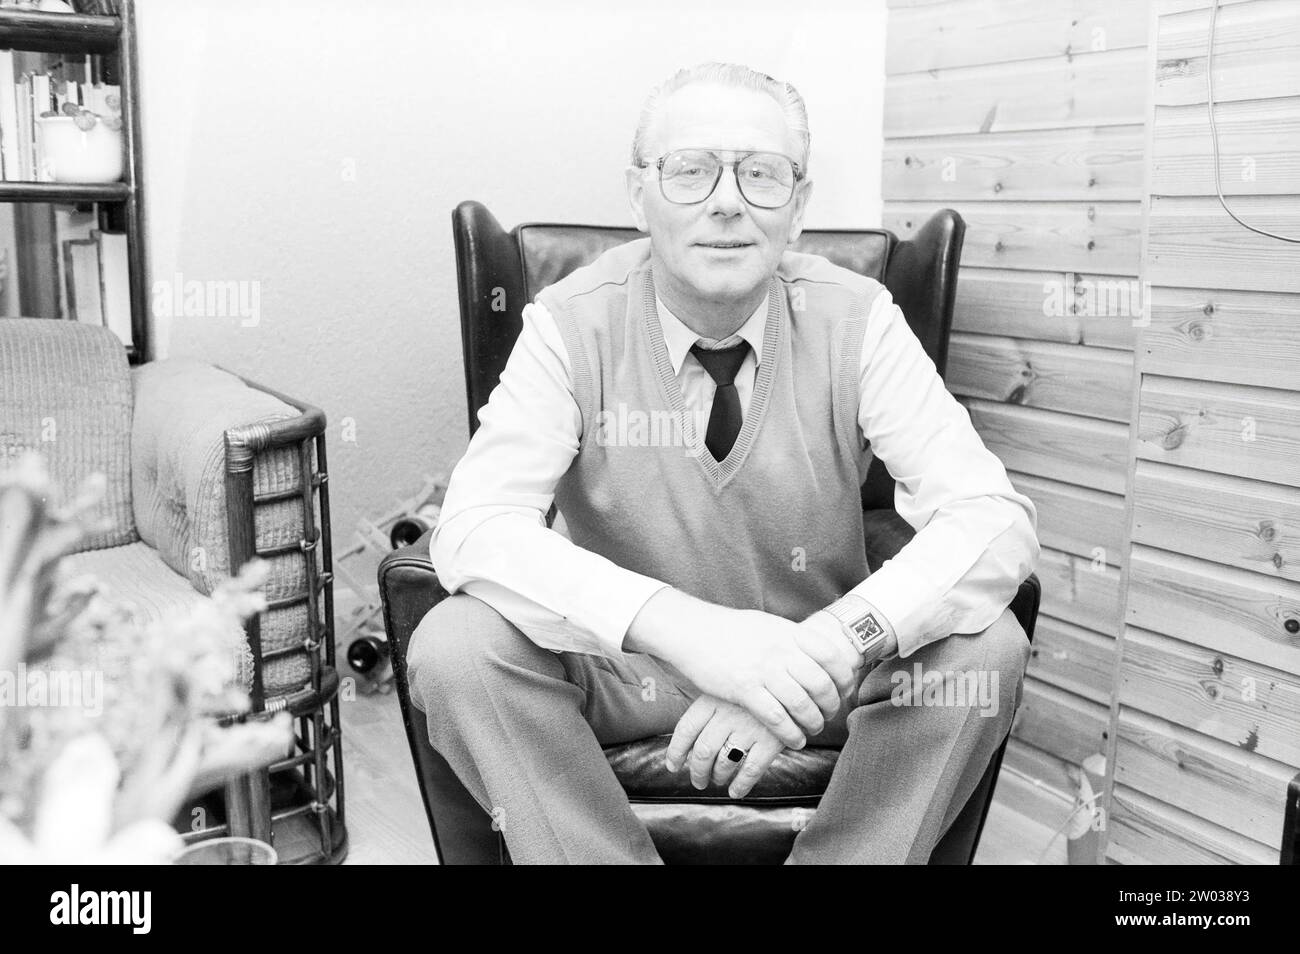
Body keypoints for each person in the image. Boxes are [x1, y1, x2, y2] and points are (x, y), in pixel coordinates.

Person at [407, 62, 1039, 864]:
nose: (728, 200)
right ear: (639, 194)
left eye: (762, 173)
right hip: (622, 668)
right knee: (456, 646)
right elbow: (474, 529)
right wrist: (692, 635)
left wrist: (822, 656)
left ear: (799, 206)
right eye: (690, 170)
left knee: (983, 654)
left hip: (820, 668)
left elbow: (991, 520)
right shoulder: (568, 323)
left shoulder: (859, 319)